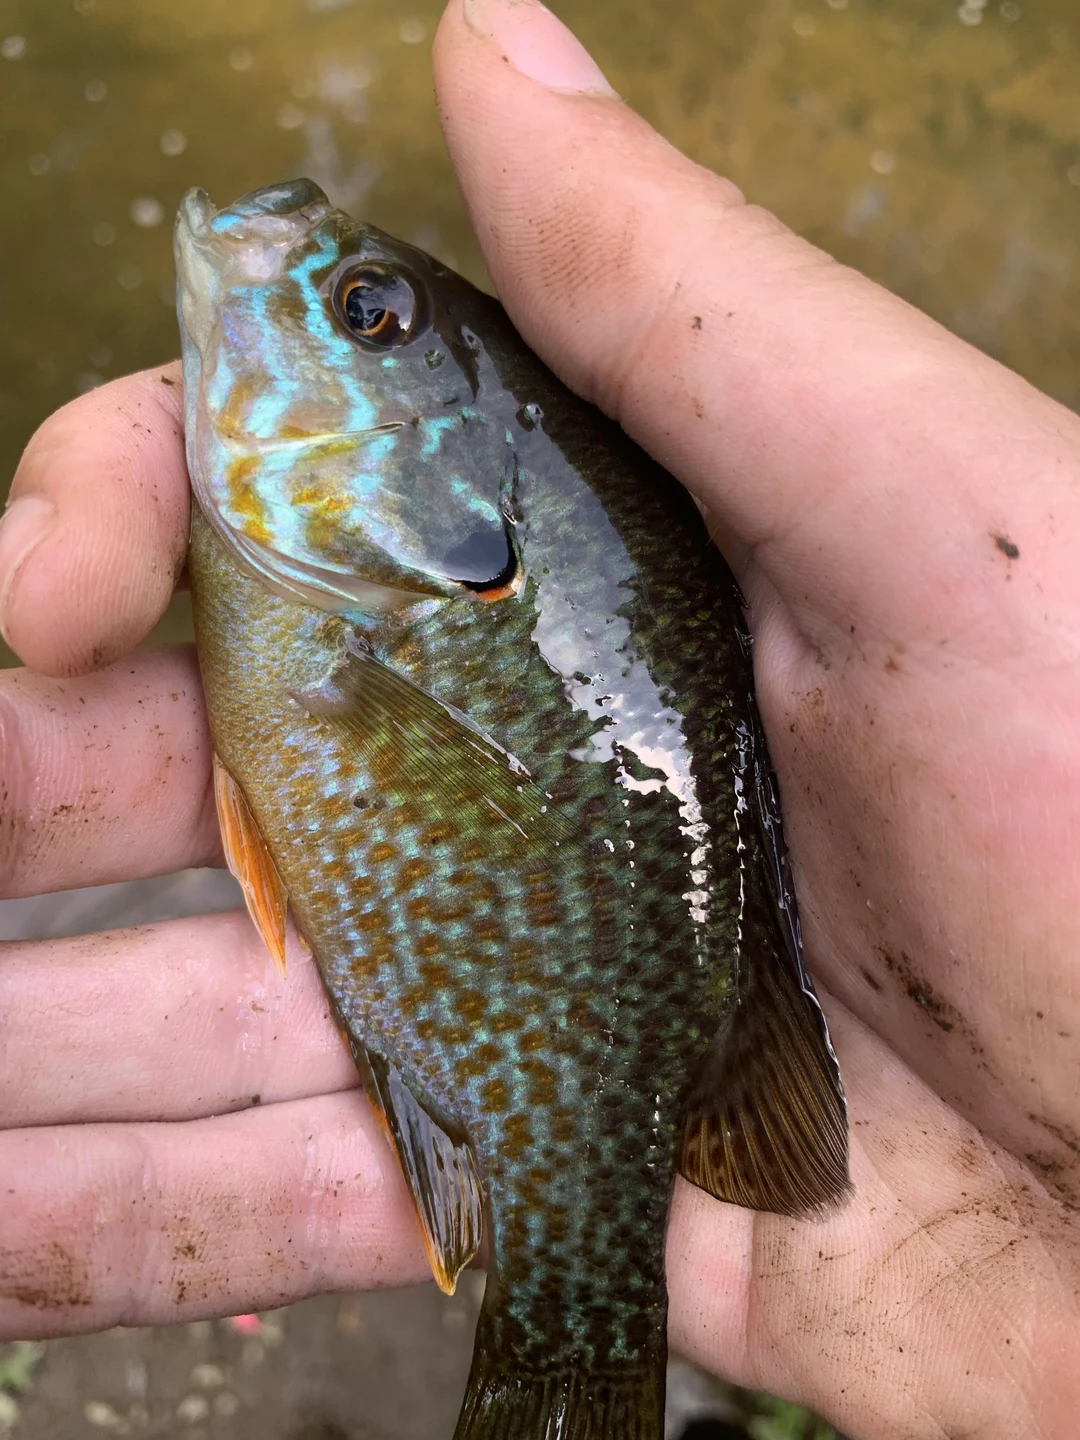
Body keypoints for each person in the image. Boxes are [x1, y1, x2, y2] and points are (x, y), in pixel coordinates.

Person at [0, 1, 1076, 1435]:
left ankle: (568, 1326)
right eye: (372, 314)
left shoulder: (394, 588)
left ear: (471, 536)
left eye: (364, 317)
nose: (304, 272)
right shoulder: (390, 586)